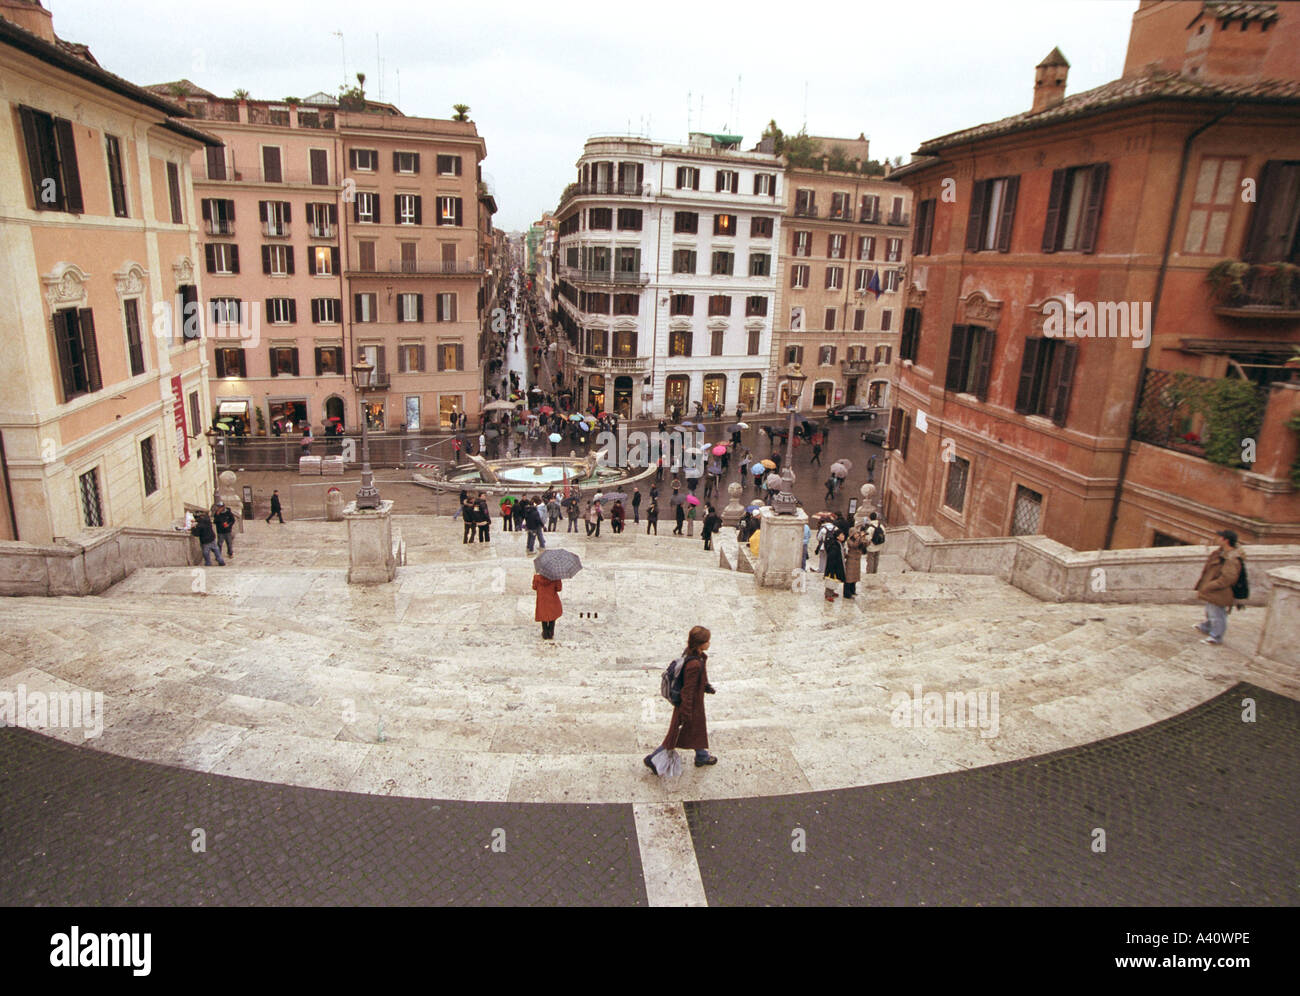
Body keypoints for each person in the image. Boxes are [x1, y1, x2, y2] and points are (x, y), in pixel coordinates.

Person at [644, 625, 717, 774]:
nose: (709, 643)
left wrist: (705, 686)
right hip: (689, 706)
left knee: (697, 730)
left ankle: (701, 756)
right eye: (707, 641)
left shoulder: (696, 656)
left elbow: (697, 680)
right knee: (674, 736)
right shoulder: (694, 664)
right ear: (700, 644)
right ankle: (652, 758)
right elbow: (687, 690)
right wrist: (686, 712)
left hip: (694, 704)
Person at [1194, 529, 1244, 646]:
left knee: (1217, 613)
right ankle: (1207, 627)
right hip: (1213, 589)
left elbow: (1228, 578)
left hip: (1220, 591)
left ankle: (1216, 637)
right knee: (1210, 609)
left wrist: (1209, 586)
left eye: (1220, 537)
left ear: (1226, 540)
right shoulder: (1221, 552)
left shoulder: (1231, 558)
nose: (1217, 538)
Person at [843, 522, 868, 599]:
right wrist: (859, 538)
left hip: (857, 561)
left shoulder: (858, 539)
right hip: (851, 560)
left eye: (857, 533)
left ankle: (853, 590)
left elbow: (866, 544)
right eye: (855, 533)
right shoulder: (849, 540)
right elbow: (854, 545)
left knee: (854, 577)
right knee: (849, 577)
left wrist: (864, 538)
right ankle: (847, 593)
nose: (857, 535)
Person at [823, 524, 847, 601]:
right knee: (831, 580)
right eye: (842, 535)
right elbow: (832, 558)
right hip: (833, 567)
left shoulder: (838, 544)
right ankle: (828, 594)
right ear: (837, 537)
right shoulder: (834, 546)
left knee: (834, 580)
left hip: (836, 566)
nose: (843, 536)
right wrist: (832, 568)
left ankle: (832, 592)